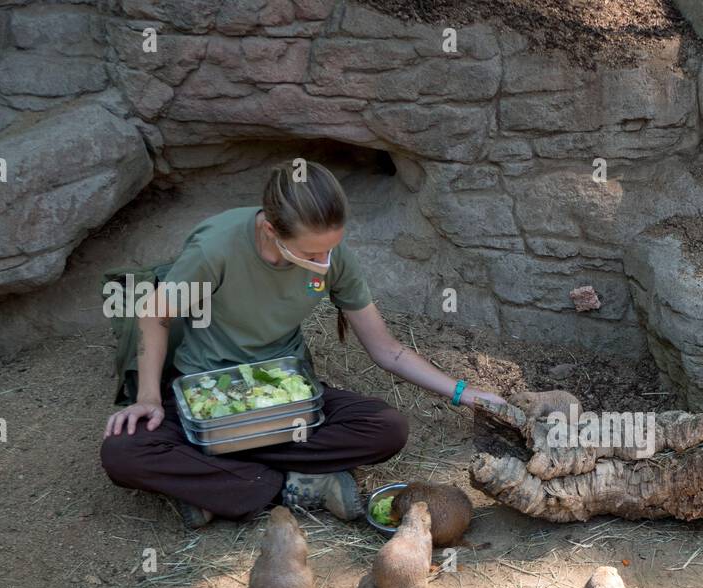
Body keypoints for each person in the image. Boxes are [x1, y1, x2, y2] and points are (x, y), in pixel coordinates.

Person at [100, 160, 505, 529]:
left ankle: (225, 487)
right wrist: (150, 397)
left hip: (285, 399)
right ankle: (296, 486)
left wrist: (464, 393)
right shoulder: (216, 248)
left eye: (331, 247)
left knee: (386, 429)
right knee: (123, 453)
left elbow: (386, 349)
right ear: (270, 231)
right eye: (312, 252)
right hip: (211, 398)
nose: (325, 260)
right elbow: (155, 314)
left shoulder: (333, 257)